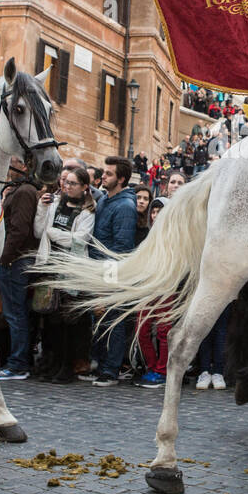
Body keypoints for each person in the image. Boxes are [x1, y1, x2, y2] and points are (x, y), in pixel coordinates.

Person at [31, 166, 96, 383]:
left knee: (70, 322)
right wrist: (41, 208)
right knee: (50, 321)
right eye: (65, 182)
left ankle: (67, 367)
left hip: (70, 271)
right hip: (50, 267)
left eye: (73, 183)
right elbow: (39, 232)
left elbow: (79, 240)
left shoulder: (87, 212)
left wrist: (54, 233)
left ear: (84, 187)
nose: (67, 187)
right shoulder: (54, 206)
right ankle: (51, 364)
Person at [89, 157, 137, 387]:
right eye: (104, 172)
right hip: (98, 269)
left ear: (121, 178)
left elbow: (121, 248)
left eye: (109, 174)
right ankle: (101, 364)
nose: (103, 176)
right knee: (101, 319)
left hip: (111, 271)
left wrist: (105, 283)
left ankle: (111, 370)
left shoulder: (125, 207)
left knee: (113, 321)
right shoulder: (107, 199)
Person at [0, 158, 42, 380]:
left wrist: (5, 257)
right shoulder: (20, 189)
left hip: (16, 260)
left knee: (15, 313)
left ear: (23, 166)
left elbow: (19, 230)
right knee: (16, 312)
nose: (8, 164)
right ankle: (18, 360)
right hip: (17, 258)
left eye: (13, 160)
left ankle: (18, 363)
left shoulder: (24, 192)